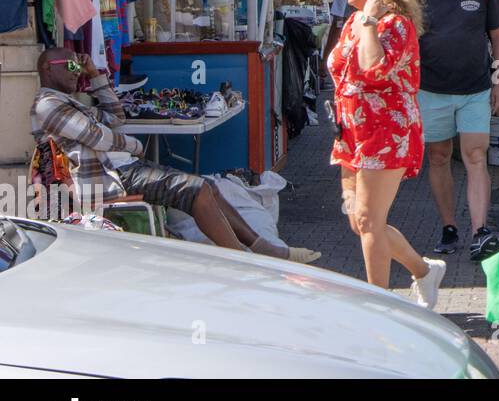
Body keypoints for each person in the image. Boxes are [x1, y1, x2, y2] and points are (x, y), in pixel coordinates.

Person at [30, 47, 319, 262]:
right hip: (109, 178)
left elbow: (115, 117)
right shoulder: (47, 105)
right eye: (68, 64)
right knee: (197, 189)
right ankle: (243, 261)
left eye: (76, 64)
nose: (75, 69)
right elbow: (97, 136)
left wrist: (95, 76)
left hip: (123, 170)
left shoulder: (68, 102)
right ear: (47, 69)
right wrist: (133, 145)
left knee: (210, 187)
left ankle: (260, 247)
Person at [328, 0, 445, 306]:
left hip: (386, 134)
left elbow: (373, 67)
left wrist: (368, 23)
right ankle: (423, 270)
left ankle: (380, 305)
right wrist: (362, 21)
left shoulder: (394, 26)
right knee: (360, 221)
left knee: (368, 220)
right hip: (352, 134)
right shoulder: (353, 22)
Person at [418, 0, 499, 260]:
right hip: (431, 89)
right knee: (439, 157)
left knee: (475, 156)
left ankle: (479, 230)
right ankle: (449, 227)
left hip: (475, 89)